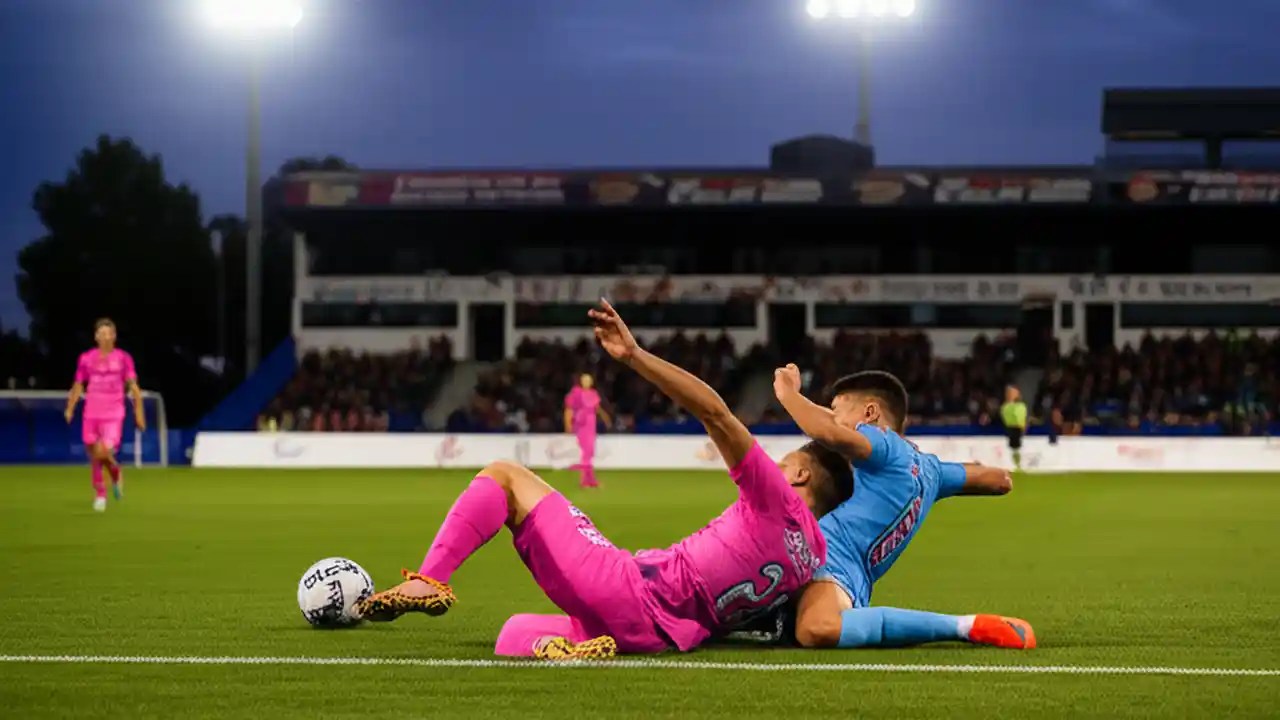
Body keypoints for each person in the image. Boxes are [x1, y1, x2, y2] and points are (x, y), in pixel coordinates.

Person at [355, 300, 852, 660]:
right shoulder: (810, 558)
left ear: (802, 473)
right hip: (665, 634)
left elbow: (716, 413)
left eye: (786, 462)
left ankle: (429, 581)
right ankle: (556, 648)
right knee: (512, 631)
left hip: (631, 589)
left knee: (505, 476)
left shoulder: (778, 500)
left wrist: (635, 356)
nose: (777, 466)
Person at [773, 365, 1036, 650]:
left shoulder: (882, 443)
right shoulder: (929, 470)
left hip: (833, 562)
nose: (833, 418)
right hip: (850, 577)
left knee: (817, 627)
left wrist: (788, 393)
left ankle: (965, 626)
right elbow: (999, 481)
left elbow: (830, 433)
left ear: (870, 413)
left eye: (837, 410)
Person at [64, 319, 145, 512]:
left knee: (103, 451)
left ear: (114, 336)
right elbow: (78, 384)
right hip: (91, 412)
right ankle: (116, 472)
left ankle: (100, 494)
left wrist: (138, 412)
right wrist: (70, 407)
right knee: (95, 455)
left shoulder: (124, 358)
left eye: (109, 333)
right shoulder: (86, 358)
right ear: (96, 337)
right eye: (102, 333)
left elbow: (134, 387)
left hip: (114, 413)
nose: (106, 336)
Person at [564, 373, 611, 488]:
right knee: (586, 453)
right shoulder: (576, 393)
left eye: (588, 380)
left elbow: (597, 408)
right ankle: (585, 480)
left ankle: (591, 479)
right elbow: (569, 409)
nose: (587, 382)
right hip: (582, 424)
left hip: (591, 424)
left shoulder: (593, 394)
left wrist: (606, 418)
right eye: (584, 380)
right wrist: (568, 424)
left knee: (590, 452)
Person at [1001, 385, 1028, 469]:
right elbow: (1007, 417)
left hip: (1018, 429)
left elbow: (1021, 417)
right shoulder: (1006, 407)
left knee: (1017, 448)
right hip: (1011, 429)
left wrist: (1023, 425)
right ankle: (1017, 464)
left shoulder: (1021, 406)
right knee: (1014, 448)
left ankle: (1019, 464)